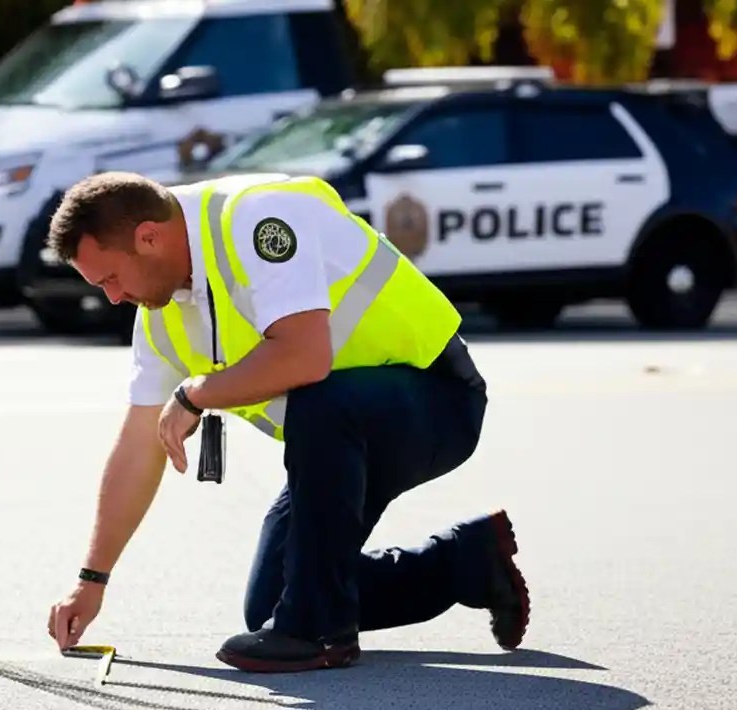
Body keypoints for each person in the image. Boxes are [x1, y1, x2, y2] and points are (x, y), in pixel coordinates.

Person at [44, 170, 529, 673]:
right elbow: (137, 447)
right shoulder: (162, 316)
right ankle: (467, 563)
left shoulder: (256, 218)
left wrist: (195, 393)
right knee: (271, 603)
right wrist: (91, 580)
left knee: (320, 403)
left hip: (436, 400)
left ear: (148, 237)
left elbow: (304, 357)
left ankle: (318, 633)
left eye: (111, 279)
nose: (113, 299)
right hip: (342, 436)